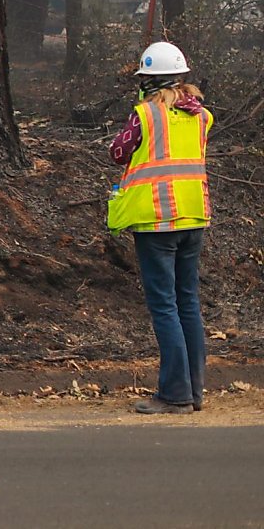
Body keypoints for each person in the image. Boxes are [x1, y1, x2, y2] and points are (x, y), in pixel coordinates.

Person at [108, 40, 213, 415]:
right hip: (194, 216)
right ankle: (194, 391)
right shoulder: (202, 115)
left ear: (147, 82)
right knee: (188, 302)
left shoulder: (146, 114)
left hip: (157, 221)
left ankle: (174, 394)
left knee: (165, 306)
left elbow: (118, 152)